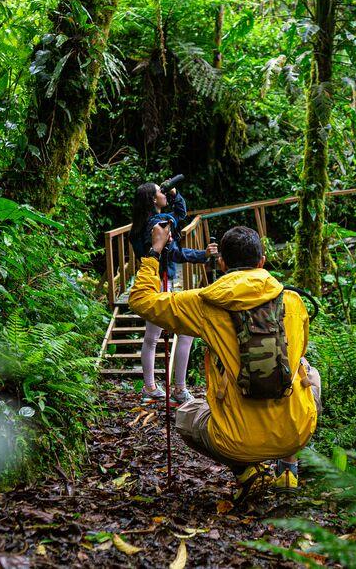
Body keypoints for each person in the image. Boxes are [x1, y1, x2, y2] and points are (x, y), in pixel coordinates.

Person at [129, 225, 321, 496]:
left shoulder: (204, 304)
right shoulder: (293, 300)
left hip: (234, 440)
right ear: (262, 262)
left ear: (221, 263)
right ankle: (288, 469)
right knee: (309, 372)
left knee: (185, 415)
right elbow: (299, 352)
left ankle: (245, 470)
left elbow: (141, 300)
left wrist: (154, 252)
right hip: (294, 432)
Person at [128, 181, 214, 407]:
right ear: (153, 200)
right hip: (163, 284)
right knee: (185, 332)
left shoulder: (137, 228)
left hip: (149, 281)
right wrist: (176, 194)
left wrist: (200, 254)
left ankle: (150, 388)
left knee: (151, 339)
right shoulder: (160, 222)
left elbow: (172, 250)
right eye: (160, 191)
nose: (163, 193)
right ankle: (179, 389)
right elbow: (180, 214)